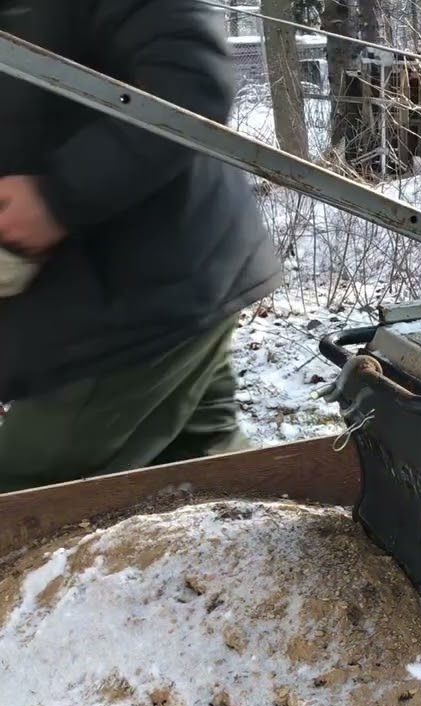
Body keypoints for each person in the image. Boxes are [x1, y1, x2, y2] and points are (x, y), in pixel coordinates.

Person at [0, 0, 282, 490]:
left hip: (143, 292)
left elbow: (190, 82)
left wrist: (56, 199)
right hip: (95, 293)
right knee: (209, 483)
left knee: (25, 493)